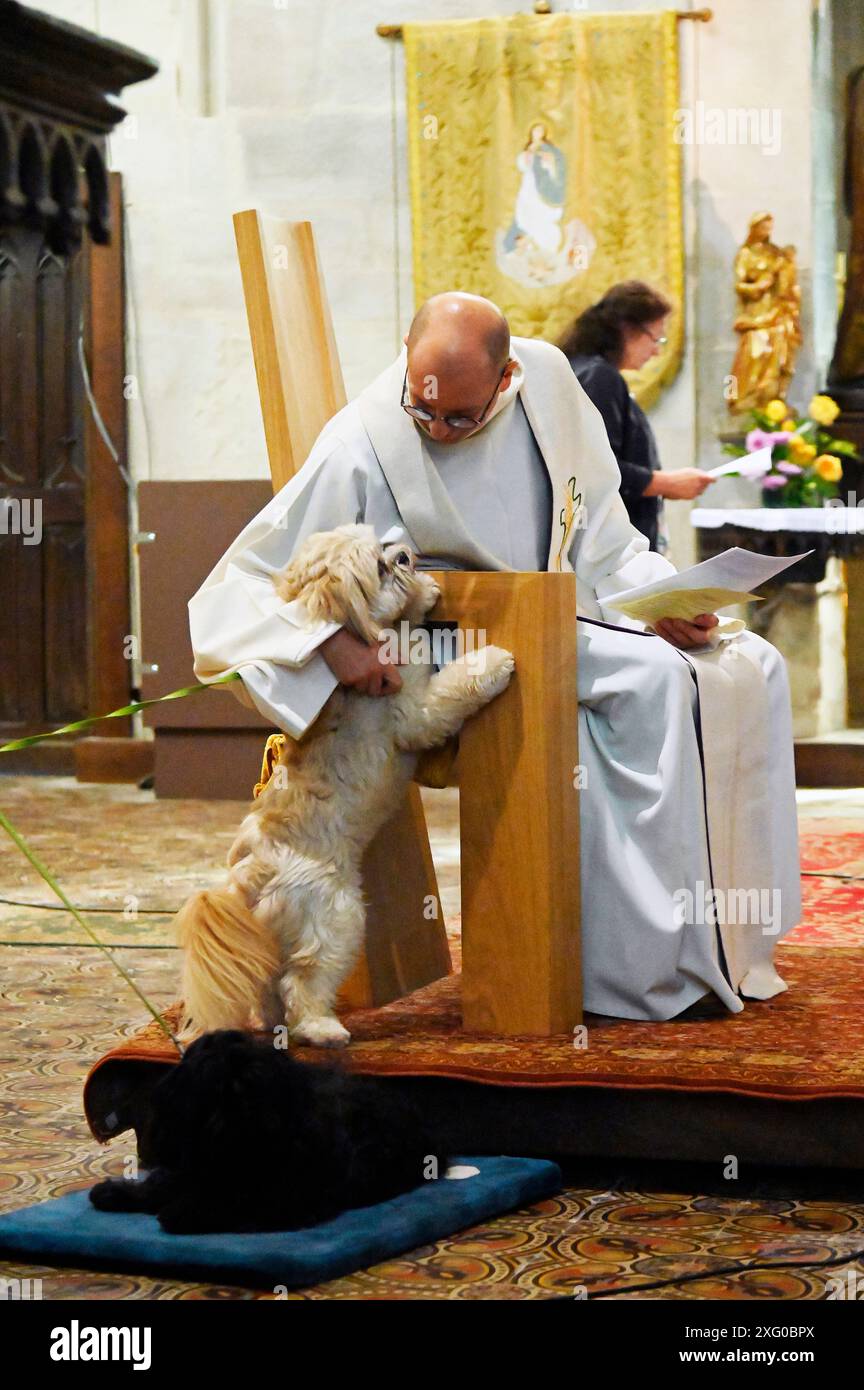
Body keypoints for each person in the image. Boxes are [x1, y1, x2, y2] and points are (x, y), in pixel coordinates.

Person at [188, 292, 801, 1023]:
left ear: (507, 377)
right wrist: (328, 643)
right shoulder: (363, 439)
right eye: (427, 409)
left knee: (749, 664)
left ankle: (726, 947)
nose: (440, 429)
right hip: (449, 637)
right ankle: (637, 973)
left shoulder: (548, 384)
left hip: (558, 614)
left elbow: (603, 542)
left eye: (461, 416)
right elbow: (239, 585)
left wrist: (661, 601)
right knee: (657, 680)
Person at [559, 281, 713, 550]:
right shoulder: (600, 377)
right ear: (627, 329)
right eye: (656, 338)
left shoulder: (586, 370)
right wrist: (666, 483)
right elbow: (596, 467)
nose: (657, 350)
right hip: (606, 547)